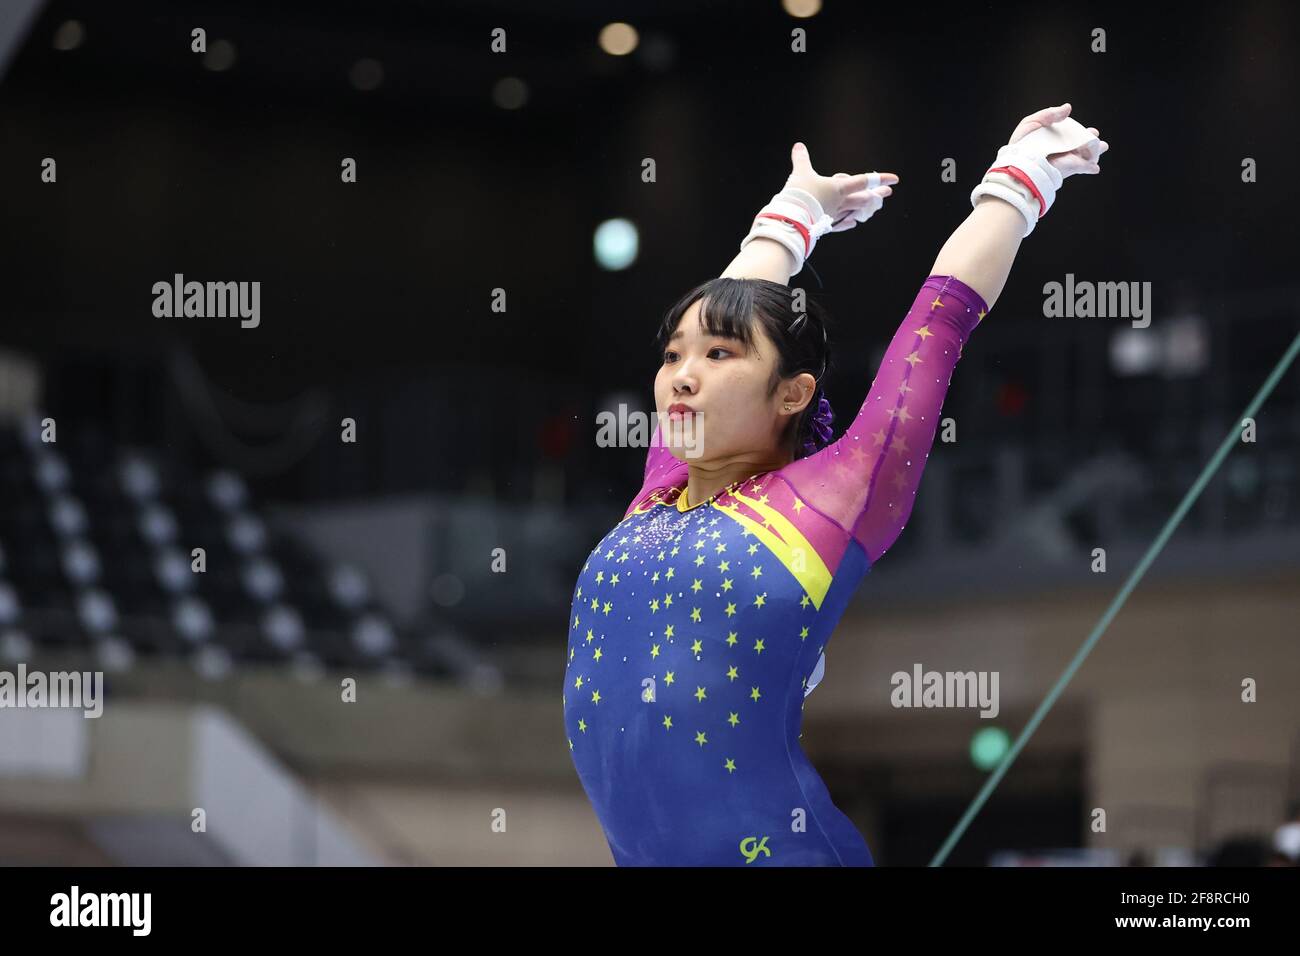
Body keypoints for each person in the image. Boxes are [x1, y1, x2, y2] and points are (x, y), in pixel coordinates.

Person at [563, 104, 1108, 865]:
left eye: (719, 357)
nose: (681, 377)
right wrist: (791, 220)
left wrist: (1020, 181)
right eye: (673, 357)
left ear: (792, 392)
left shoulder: (834, 497)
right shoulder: (661, 491)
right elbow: (735, 300)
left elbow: (939, 321)